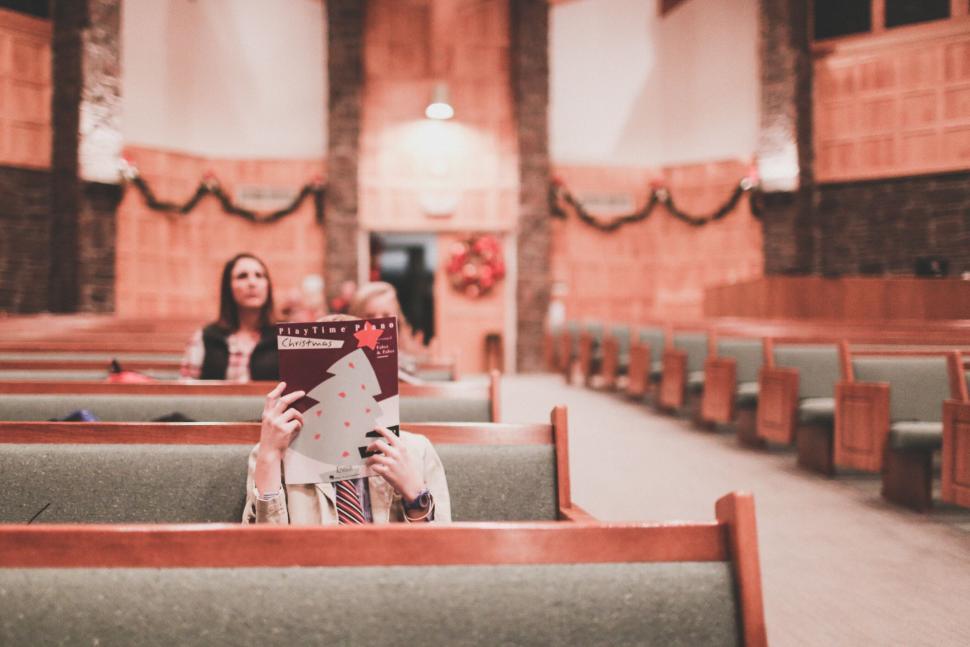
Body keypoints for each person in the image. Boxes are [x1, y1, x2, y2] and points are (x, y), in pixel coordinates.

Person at [243, 381, 451, 524]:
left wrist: (415, 497)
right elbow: (263, 557)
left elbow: (441, 557)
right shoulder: (273, 455)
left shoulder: (416, 450)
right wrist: (269, 458)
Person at [180, 253, 279, 382]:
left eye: (259, 276)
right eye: (242, 276)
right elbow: (185, 391)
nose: (252, 283)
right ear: (228, 287)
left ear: (268, 286)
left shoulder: (285, 337)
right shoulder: (204, 337)